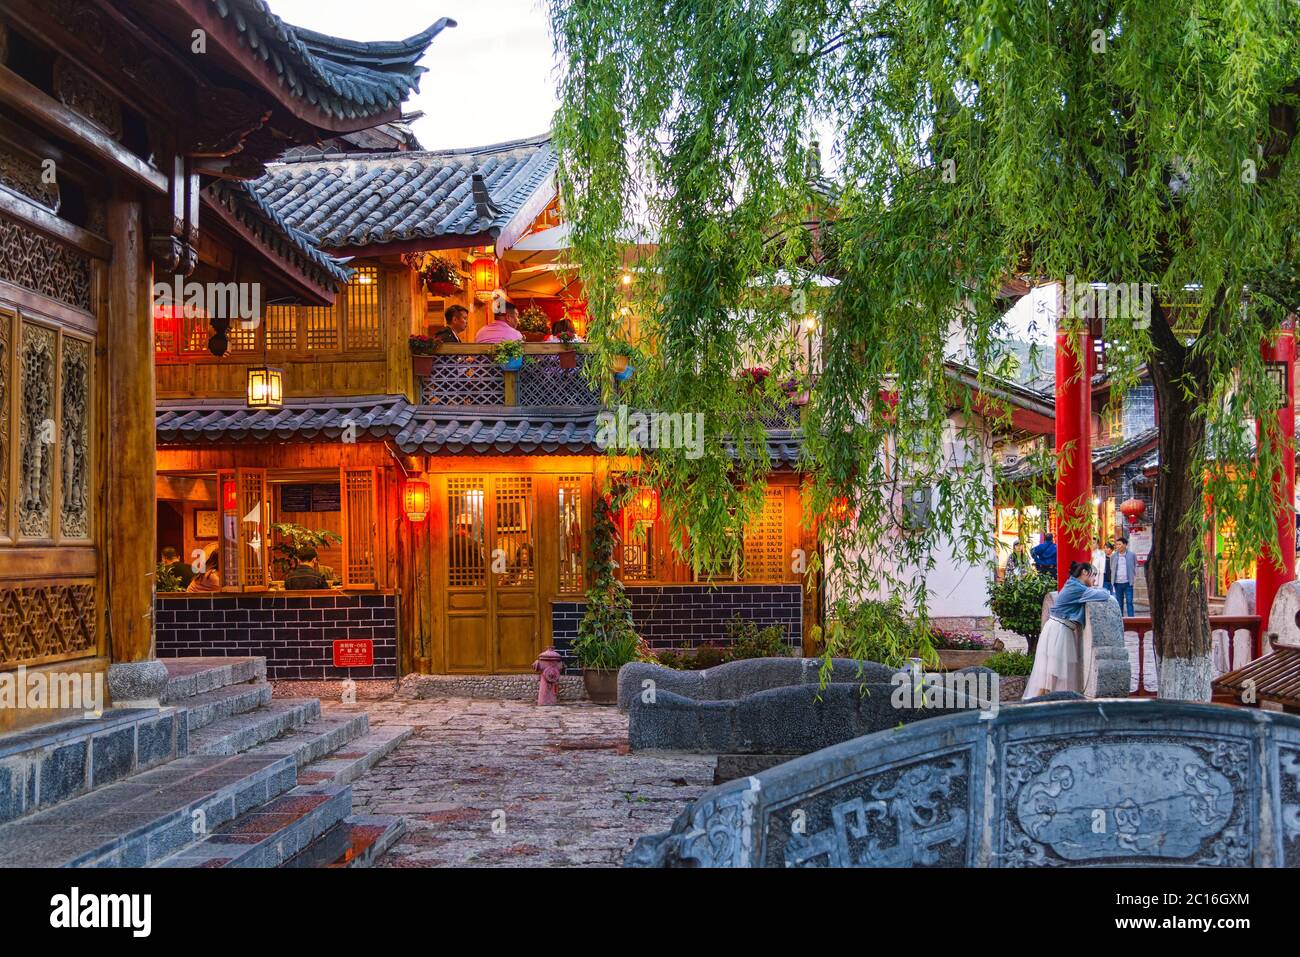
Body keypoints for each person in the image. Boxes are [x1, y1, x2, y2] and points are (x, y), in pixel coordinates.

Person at [1022, 560, 1116, 698]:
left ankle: (1042, 699)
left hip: (1056, 628)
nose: (1095, 579)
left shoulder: (1073, 584)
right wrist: (1103, 590)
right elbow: (1104, 596)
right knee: (1053, 671)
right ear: (1084, 572)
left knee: (1052, 671)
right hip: (1059, 630)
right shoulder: (1077, 589)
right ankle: (1039, 700)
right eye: (1093, 575)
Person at [1111, 536, 1137, 616]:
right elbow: (1112, 568)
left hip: (1128, 583)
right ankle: (1120, 620)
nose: (1117, 546)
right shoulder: (1114, 556)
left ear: (1125, 545)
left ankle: (1131, 621)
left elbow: (1134, 567)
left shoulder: (1132, 555)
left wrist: (1132, 579)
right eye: (1117, 544)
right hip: (1117, 583)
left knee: (1129, 602)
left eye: (1119, 544)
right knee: (1119, 603)